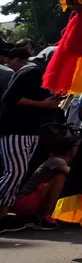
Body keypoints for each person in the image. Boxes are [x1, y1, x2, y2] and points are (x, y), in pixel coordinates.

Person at [0, 52, 61, 223]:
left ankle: (3, 216)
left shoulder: (43, 76)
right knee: (14, 173)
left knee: (17, 175)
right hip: (16, 130)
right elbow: (9, 99)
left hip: (29, 130)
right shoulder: (32, 72)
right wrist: (44, 104)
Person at [4, 136, 77, 232]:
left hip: (33, 201)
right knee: (61, 178)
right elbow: (74, 175)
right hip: (25, 201)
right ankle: (45, 217)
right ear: (68, 150)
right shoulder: (56, 160)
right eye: (77, 145)